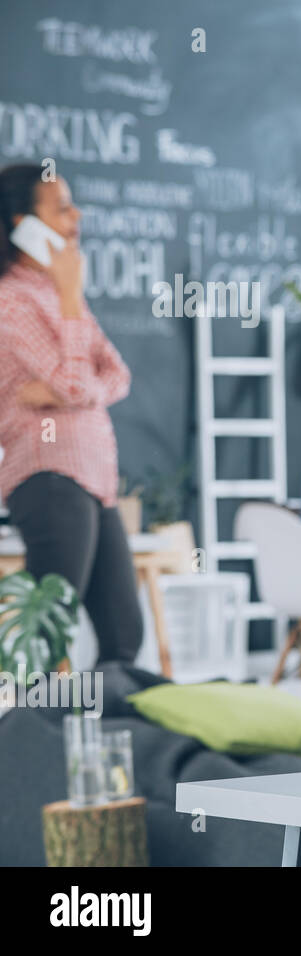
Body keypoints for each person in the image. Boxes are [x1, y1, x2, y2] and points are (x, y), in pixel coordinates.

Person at [0, 164, 141, 666]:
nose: (76, 216)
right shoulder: (11, 300)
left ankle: (109, 719)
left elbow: (116, 375)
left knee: (124, 636)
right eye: (61, 207)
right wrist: (68, 298)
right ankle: (31, 719)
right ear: (23, 224)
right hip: (50, 477)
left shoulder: (59, 294)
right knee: (48, 634)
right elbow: (80, 383)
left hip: (96, 480)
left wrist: (67, 391)